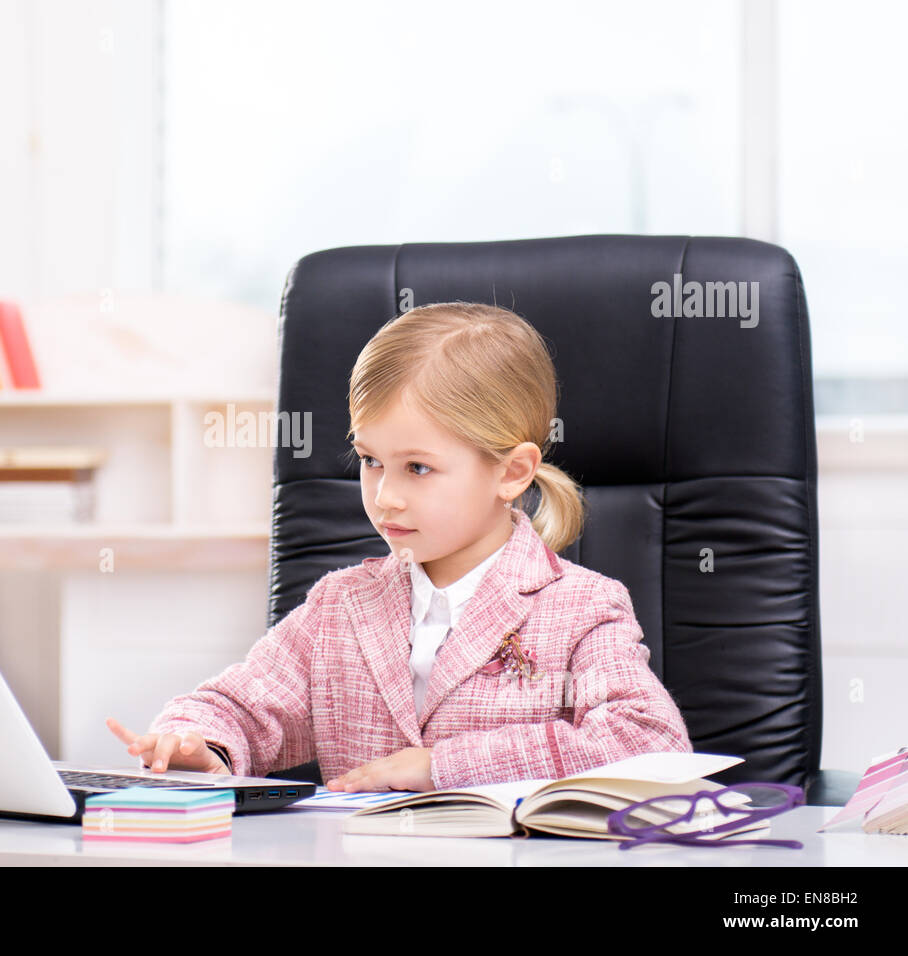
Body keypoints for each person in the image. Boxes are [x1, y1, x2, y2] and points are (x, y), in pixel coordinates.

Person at [107, 301, 693, 792]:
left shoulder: (582, 609)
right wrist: (196, 743)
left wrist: (443, 768)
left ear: (512, 473)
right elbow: (239, 706)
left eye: (417, 467)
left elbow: (648, 741)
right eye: (369, 461)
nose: (384, 496)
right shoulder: (341, 606)